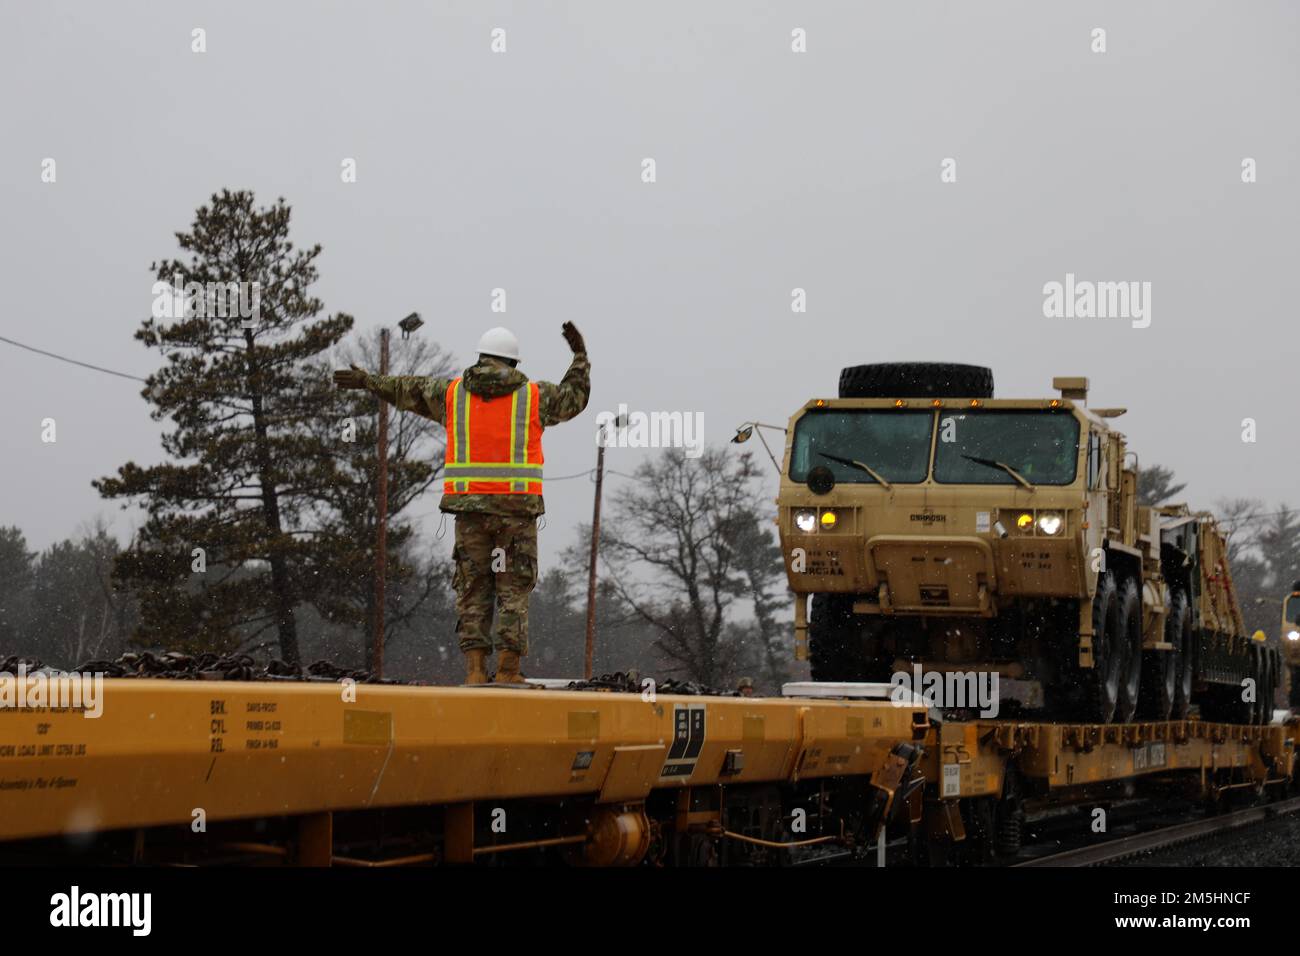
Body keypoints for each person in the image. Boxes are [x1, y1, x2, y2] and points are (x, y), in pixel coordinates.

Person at [335, 323, 590, 684]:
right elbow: (574, 398)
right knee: (513, 589)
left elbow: (407, 389)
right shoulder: (533, 397)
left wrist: (368, 381)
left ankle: (473, 670)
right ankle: (507, 671)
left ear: (481, 358)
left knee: (472, 588)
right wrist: (579, 358)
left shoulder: (452, 395)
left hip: (469, 514)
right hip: (515, 515)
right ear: (513, 363)